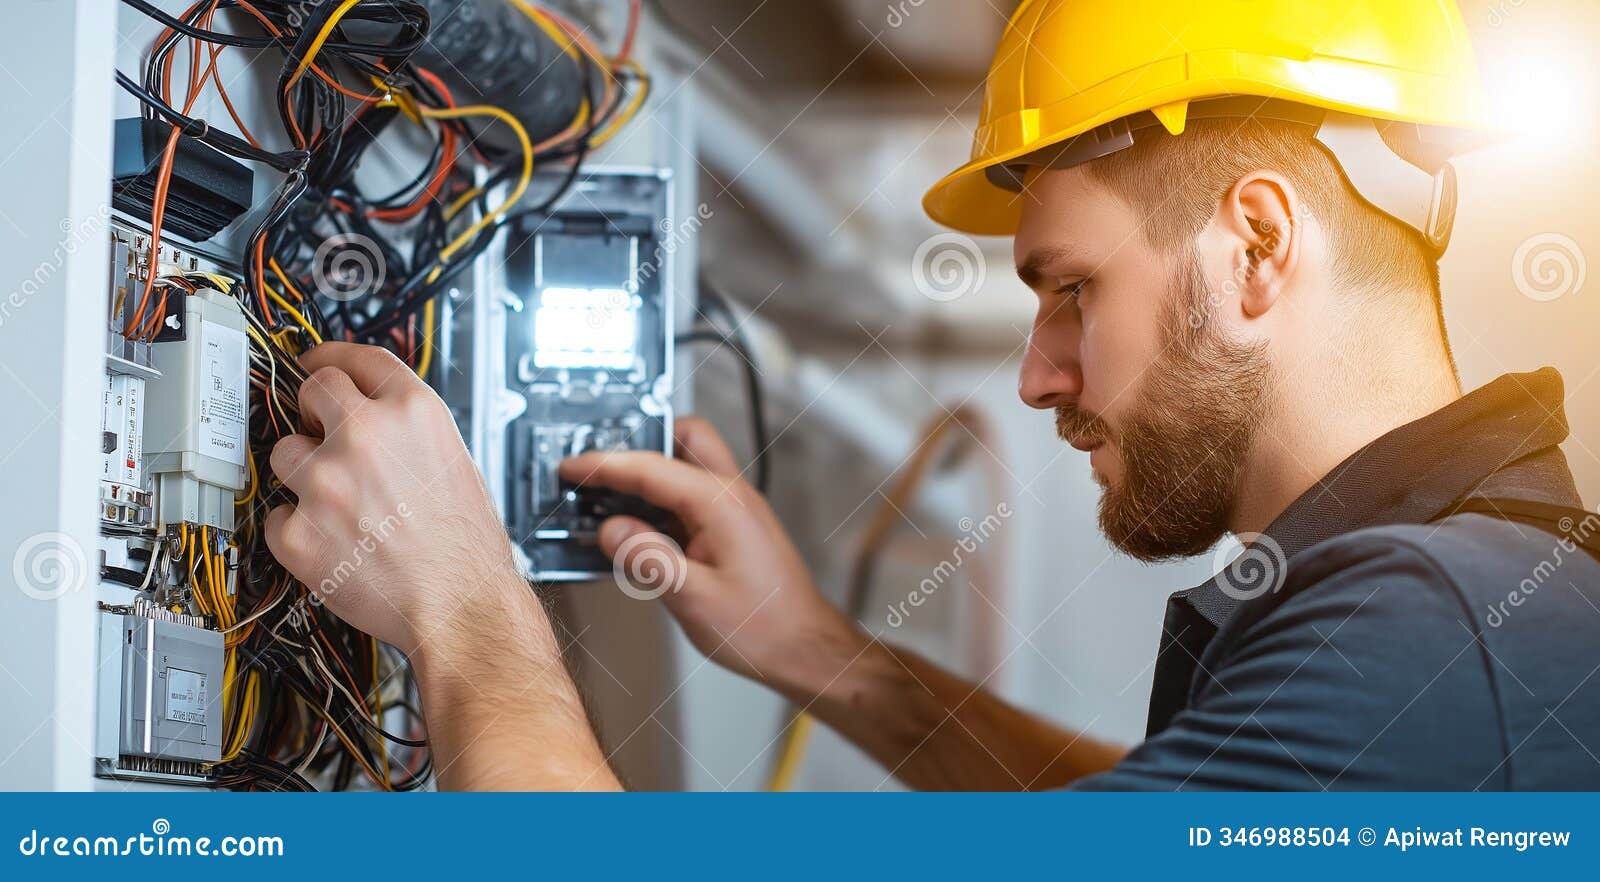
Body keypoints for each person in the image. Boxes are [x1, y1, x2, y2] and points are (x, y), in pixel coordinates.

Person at [264, 1, 1600, 790]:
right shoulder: (1473, 612)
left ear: (1255, 247)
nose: (1037, 374)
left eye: (1069, 288)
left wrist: (459, 600)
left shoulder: (1432, 636)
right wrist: (822, 655)